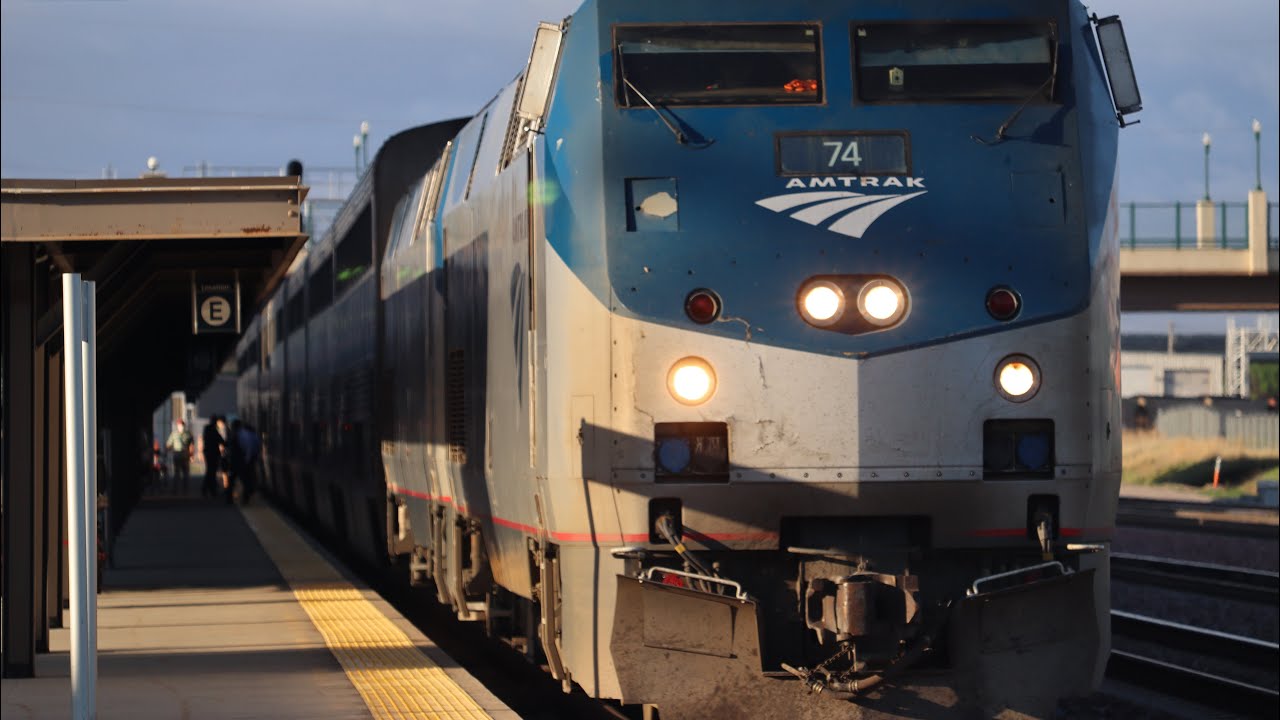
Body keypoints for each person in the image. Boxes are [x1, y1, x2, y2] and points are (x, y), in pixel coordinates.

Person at [165, 419, 193, 492]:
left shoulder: (188, 434)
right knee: (177, 473)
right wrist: (167, 450)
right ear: (177, 426)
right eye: (180, 425)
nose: (181, 426)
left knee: (185, 473)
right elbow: (169, 444)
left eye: (182, 425)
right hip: (177, 455)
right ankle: (175, 489)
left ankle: (185, 489)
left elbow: (191, 445)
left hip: (185, 455)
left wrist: (191, 455)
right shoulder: (174, 434)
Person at [201, 415, 225, 499]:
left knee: (210, 472)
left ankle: (207, 489)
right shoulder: (213, 430)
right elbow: (220, 440)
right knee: (211, 472)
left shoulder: (207, 429)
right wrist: (226, 443)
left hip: (208, 453)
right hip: (213, 454)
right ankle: (211, 490)